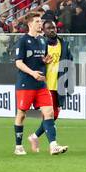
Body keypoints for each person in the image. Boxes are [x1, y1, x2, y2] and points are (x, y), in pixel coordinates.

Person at [13, 11, 66, 156]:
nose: (40, 24)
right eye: (37, 21)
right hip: (26, 83)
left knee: (49, 112)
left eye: (40, 21)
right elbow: (18, 62)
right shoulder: (23, 41)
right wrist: (32, 73)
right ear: (30, 24)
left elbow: (39, 59)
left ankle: (53, 145)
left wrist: (44, 61)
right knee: (21, 114)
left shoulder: (43, 41)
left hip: (41, 84)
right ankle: (18, 146)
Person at [28, 19, 65, 152]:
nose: (52, 30)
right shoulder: (41, 44)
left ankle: (34, 136)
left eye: (54, 28)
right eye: (49, 28)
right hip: (44, 85)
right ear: (43, 30)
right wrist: (42, 62)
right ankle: (53, 145)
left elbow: (68, 60)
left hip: (58, 84)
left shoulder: (62, 43)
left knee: (54, 115)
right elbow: (33, 63)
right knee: (49, 115)